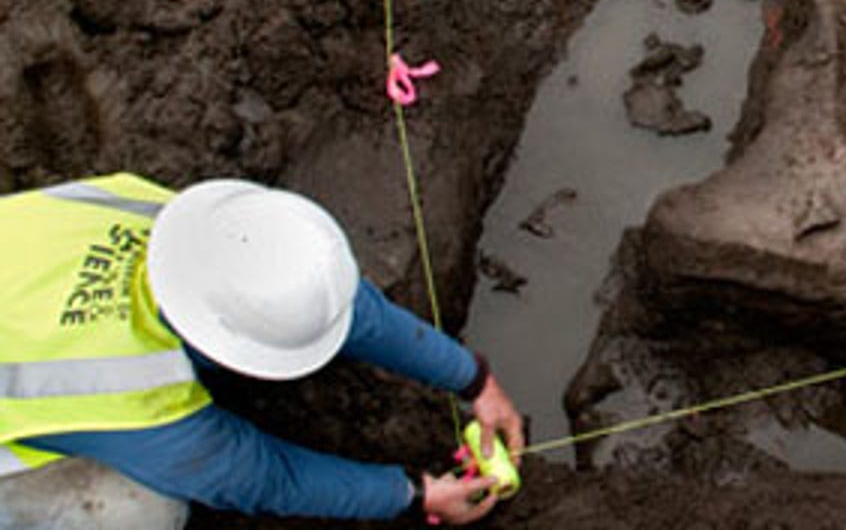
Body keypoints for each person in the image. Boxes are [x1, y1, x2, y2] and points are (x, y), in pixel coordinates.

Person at [0, 173, 526, 527]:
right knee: (142, 509)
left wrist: (474, 381)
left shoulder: (175, 221)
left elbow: (343, 308)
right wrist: (414, 496)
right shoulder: (130, 396)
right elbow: (261, 476)